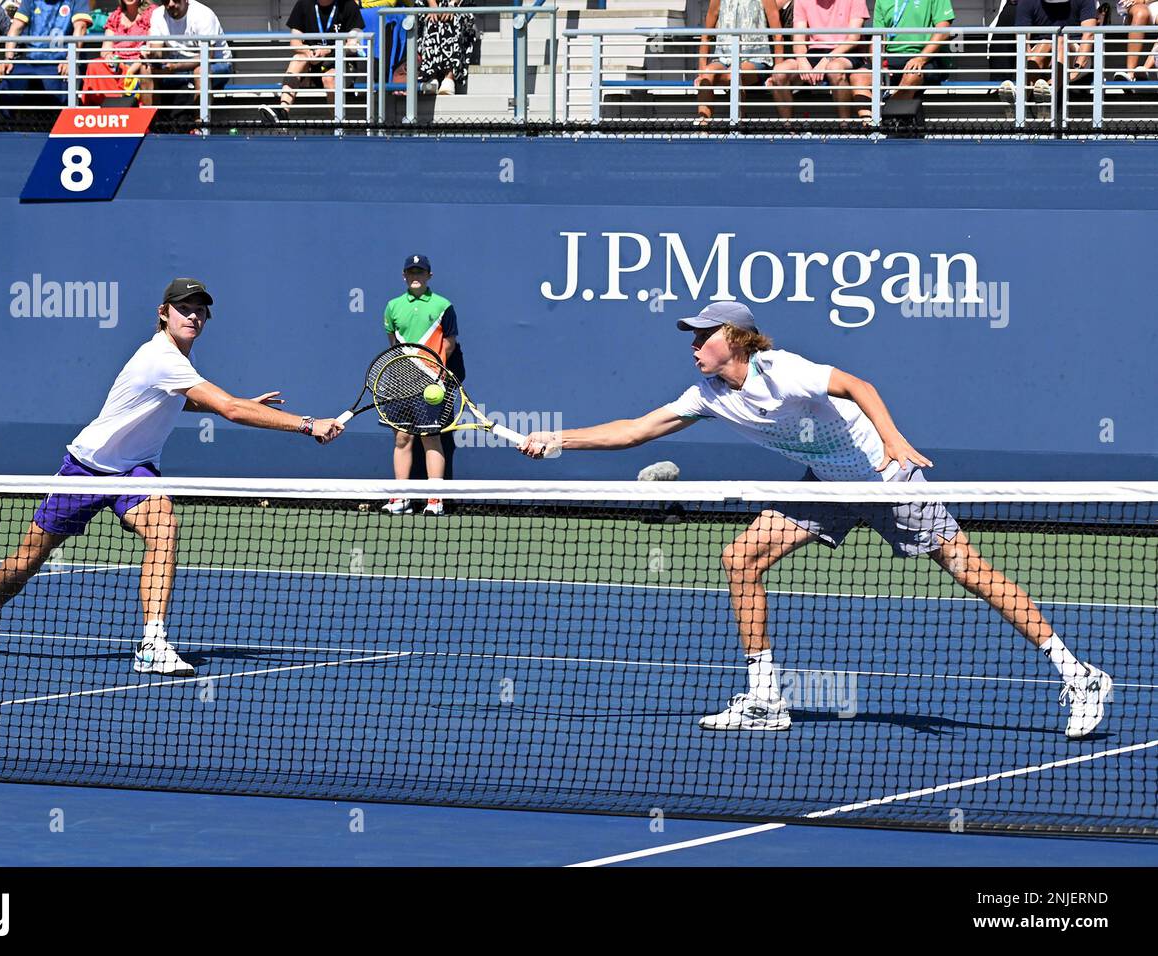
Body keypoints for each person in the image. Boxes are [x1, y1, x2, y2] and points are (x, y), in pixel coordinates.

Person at [519, 302, 1113, 739]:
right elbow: (635, 430)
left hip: (883, 474)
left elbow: (858, 384)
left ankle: (1078, 674)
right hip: (824, 481)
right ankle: (765, 698)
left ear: (735, 338)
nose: (694, 344)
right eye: (694, 336)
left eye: (703, 335)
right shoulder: (708, 393)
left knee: (968, 570)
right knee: (740, 558)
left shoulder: (781, 369)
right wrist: (559, 441)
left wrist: (895, 441)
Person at [0, 279, 344, 676]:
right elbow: (230, 409)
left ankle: (152, 643)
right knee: (26, 561)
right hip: (87, 468)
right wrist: (307, 424)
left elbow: (184, 402)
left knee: (164, 530)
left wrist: (231, 404)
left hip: (136, 469)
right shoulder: (159, 357)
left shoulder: (181, 359)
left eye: (200, 311)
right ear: (163, 314)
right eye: (184, 309)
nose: (194, 317)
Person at [380, 254, 462, 517]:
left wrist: (434, 371)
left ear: (429, 276)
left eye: (421, 272)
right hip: (400, 383)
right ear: (404, 276)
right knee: (402, 438)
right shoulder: (392, 306)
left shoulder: (443, 306)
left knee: (430, 438)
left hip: (430, 385)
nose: (416, 277)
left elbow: (448, 344)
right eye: (411, 272)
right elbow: (393, 343)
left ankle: (435, 500)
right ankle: (400, 498)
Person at [766, 0, 872, 120]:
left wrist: (827, 59)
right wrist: (801, 59)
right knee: (779, 72)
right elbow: (798, 39)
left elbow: (854, 38)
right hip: (814, 53)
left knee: (834, 68)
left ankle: (845, 127)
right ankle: (788, 129)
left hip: (847, 51)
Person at [265, 0, 366, 121]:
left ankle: (338, 123)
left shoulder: (348, 5)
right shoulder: (303, 4)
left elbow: (353, 46)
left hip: (340, 62)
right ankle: (282, 112)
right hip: (313, 62)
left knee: (330, 78)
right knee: (298, 58)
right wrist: (307, 51)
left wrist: (328, 50)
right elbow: (294, 41)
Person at [0, 0, 93, 112]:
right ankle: (7, 125)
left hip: (59, 62)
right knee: (4, 78)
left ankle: (60, 125)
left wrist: (70, 61)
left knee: (66, 79)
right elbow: (16, 28)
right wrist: (8, 59)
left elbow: (81, 27)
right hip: (31, 61)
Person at [696, 0, 783, 122]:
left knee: (734, 73)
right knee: (706, 75)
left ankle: (738, 122)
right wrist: (701, 71)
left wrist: (777, 71)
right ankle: (702, 127)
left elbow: (778, 35)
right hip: (723, 58)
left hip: (756, 58)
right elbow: (706, 35)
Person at [1002, 0, 1097, 104]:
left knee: (1060, 40)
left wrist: (1077, 69)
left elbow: (1089, 34)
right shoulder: (1027, 1)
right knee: (1046, 43)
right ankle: (1026, 96)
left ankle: (1044, 95)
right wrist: (1026, 67)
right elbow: (1023, 39)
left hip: (1075, 56)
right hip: (1042, 55)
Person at [145, 0, 234, 110]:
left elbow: (207, 56)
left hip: (216, 63)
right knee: (146, 71)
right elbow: (157, 52)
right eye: (166, 0)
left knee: (200, 71)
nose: (171, 4)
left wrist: (176, 66)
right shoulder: (158, 14)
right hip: (178, 64)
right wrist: (152, 55)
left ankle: (200, 125)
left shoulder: (202, 14)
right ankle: (153, 124)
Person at [89, 0, 157, 106]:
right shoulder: (115, 16)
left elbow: (150, 49)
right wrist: (109, 57)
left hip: (138, 63)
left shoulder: (151, 13)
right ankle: (107, 106)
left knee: (142, 69)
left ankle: (121, 104)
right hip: (117, 64)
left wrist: (131, 70)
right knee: (94, 65)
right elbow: (105, 49)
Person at [416, 0, 478, 95]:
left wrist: (452, 5)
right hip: (429, 4)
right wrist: (432, 5)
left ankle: (449, 76)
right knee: (430, 20)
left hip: (459, 4)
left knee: (453, 19)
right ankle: (431, 76)